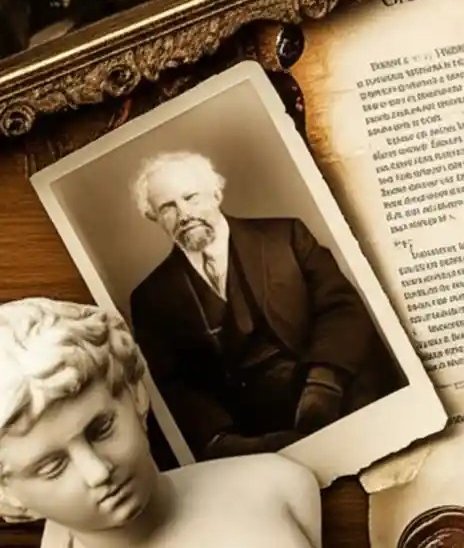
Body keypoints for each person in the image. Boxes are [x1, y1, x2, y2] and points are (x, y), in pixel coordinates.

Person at [128, 151, 399, 460]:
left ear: (216, 194)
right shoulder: (151, 298)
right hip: (254, 434)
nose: (185, 213)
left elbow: (341, 306)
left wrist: (324, 384)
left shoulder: (286, 236)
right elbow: (174, 385)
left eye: (191, 197)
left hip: (333, 388)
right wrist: (222, 440)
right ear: (154, 217)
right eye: (168, 207)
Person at [0, 297, 321, 548]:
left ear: (135, 391)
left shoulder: (272, 485)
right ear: (9, 498)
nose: (98, 472)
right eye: (52, 467)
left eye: (102, 429)